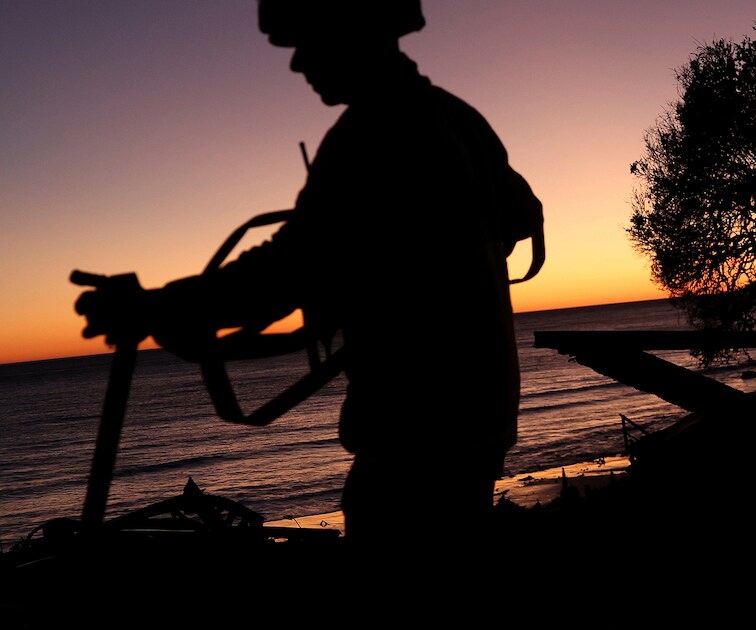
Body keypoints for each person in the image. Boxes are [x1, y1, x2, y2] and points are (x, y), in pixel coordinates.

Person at [73, 0, 544, 558]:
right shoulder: (459, 118)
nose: (298, 64)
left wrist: (156, 306)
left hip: (414, 431)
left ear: (352, 33)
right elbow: (519, 216)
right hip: (477, 413)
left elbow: (287, 268)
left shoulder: (373, 128)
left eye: (306, 44)